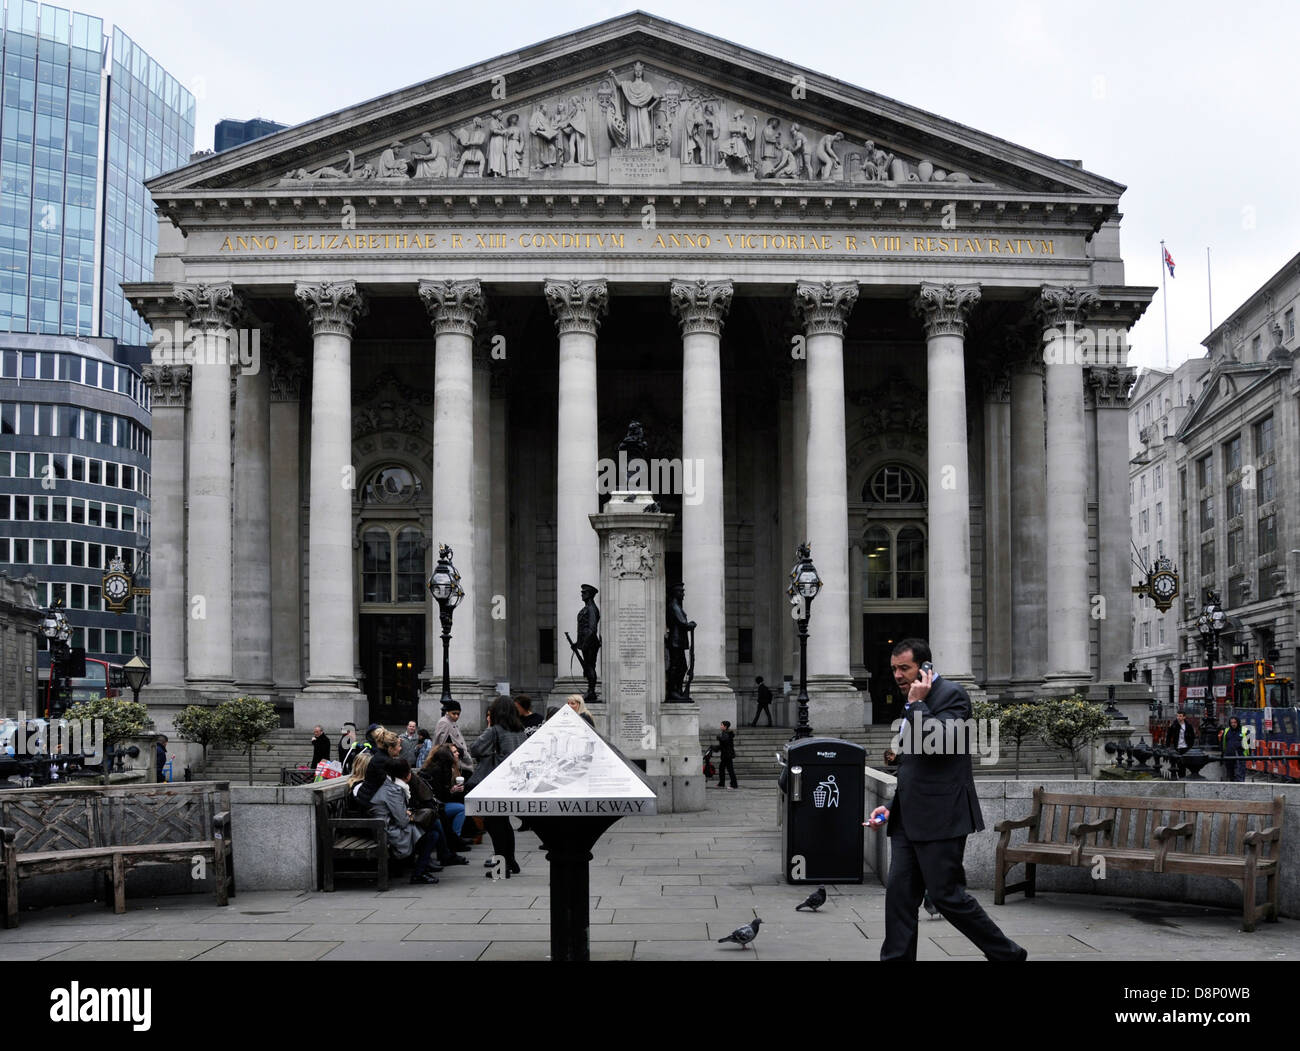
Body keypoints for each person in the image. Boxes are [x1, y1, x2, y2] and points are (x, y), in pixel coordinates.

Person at [867, 638, 1026, 962]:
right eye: (894, 669)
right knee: (899, 897)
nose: (897, 675)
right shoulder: (914, 699)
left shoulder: (951, 695)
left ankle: (1007, 954)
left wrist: (917, 705)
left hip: (942, 818)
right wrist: (892, 806)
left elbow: (943, 744)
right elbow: (913, 764)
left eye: (904, 668)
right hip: (908, 821)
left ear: (925, 667)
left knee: (947, 897)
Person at [470, 696, 528, 877]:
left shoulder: (495, 730)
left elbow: (475, 749)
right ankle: (511, 862)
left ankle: (501, 868)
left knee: (495, 825)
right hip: (512, 782)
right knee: (504, 823)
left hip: (495, 783)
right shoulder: (520, 731)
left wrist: (488, 729)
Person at [370, 757, 441, 884]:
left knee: (433, 827)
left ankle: (422, 868)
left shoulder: (392, 785)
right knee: (432, 835)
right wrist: (408, 814)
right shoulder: (393, 791)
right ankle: (419, 873)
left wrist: (407, 813)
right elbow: (402, 821)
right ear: (406, 774)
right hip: (387, 830)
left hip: (388, 826)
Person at [422, 742, 470, 850]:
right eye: (454, 752)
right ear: (447, 755)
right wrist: (452, 790)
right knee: (462, 808)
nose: (457, 754)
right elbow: (441, 794)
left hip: (437, 804)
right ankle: (455, 838)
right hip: (436, 806)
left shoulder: (442, 767)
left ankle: (456, 838)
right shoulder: (441, 769)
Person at [434, 701, 474, 775]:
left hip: (458, 759)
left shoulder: (451, 722)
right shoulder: (444, 722)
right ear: (447, 712)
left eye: (458, 714)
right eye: (454, 713)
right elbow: (441, 742)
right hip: (452, 761)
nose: (456, 716)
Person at [1220, 716, 1249, 782]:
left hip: (1240, 755)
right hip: (1229, 755)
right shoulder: (1226, 731)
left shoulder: (1244, 730)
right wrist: (1223, 754)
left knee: (1239, 775)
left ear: (1238, 722)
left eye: (1235, 722)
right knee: (1230, 775)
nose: (1233, 724)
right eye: (1232, 722)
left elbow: (1249, 743)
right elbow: (1222, 743)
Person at [714, 722, 737, 788]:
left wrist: (719, 738)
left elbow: (724, 742)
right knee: (722, 768)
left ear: (725, 726)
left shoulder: (726, 734)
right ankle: (722, 783)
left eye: (722, 725)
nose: (720, 726)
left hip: (727, 755)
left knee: (730, 770)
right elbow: (723, 744)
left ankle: (734, 784)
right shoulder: (725, 733)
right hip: (725, 754)